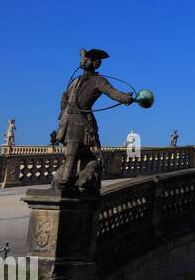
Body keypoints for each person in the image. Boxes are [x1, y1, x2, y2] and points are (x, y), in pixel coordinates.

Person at [53, 48, 135, 194]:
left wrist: (124, 98)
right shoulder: (76, 80)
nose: (84, 61)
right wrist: (63, 112)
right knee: (76, 152)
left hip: (81, 120)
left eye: (88, 59)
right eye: (84, 59)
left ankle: (66, 179)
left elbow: (112, 92)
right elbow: (64, 96)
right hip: (68, 119)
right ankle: (70, 176)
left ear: (96, 63)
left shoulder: (99, 81)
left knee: (73, 148)